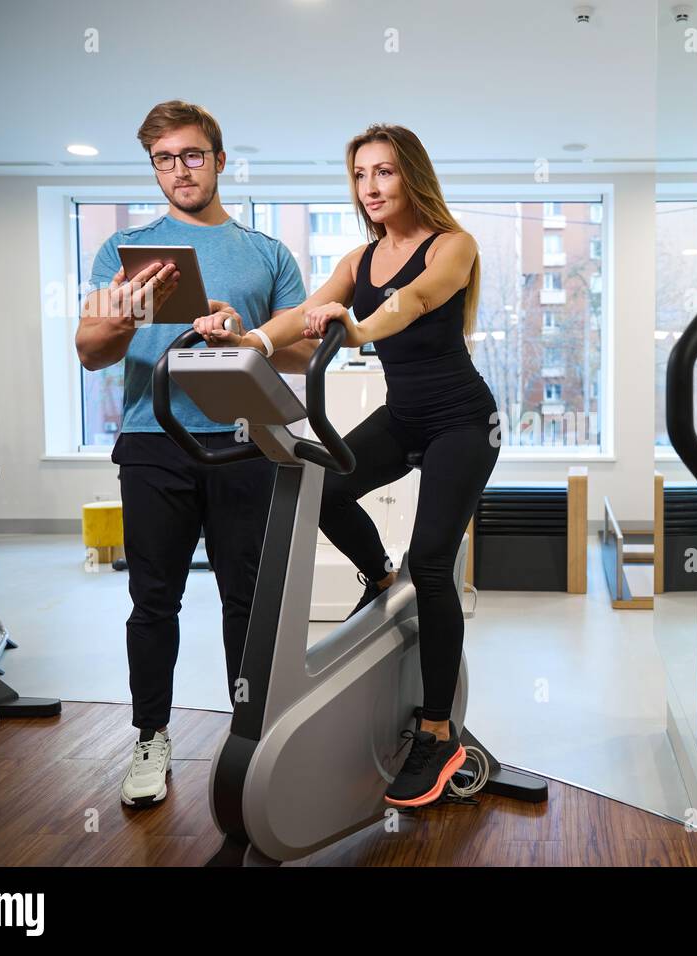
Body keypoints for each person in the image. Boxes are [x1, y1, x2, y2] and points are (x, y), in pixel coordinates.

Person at [194, 124, 497, 808]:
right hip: (405, 417)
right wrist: (246, 340)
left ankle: (437, 732)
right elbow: (300, 314)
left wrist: (356, 330)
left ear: (410, 176)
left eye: (384, 172)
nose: (371, 187)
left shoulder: (454, 245)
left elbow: (415, 301)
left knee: (433, 564)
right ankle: (378, 572)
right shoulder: (359, 259)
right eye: (361, 175)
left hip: (463, 422)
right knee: (318, 488)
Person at [76, 100, 315, 806]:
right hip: (155, 444)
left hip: (246, 443)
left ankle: (254, 737)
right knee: (154, 601)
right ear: (153, 167)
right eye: (163, 159)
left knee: (245, 599)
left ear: (218, 158)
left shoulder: (266, 253)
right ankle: (151, 737)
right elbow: (91, 352)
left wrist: (246, 337)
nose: (179, 170)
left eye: (191, 155)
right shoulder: (127, 250)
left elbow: (299, 351)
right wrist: (120, 320)